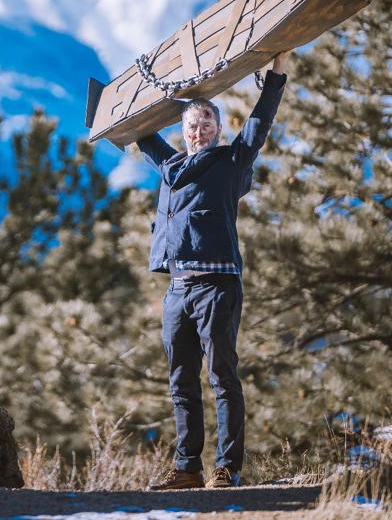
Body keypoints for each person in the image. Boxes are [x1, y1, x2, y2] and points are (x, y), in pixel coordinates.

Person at [142, 51, 290, 490]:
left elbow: (260, 124)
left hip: (218, 286)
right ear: (182, 131)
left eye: (207, 121)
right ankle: (188, 469)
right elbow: (137, 130)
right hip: (178, 289)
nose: (199, 129)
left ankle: (227, 468)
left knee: (222, 377)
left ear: (218, 129)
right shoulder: (169, 165)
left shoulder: (232, 161)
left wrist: (276, 75)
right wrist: (129, 98)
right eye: (191, 123)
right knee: (181, 380)